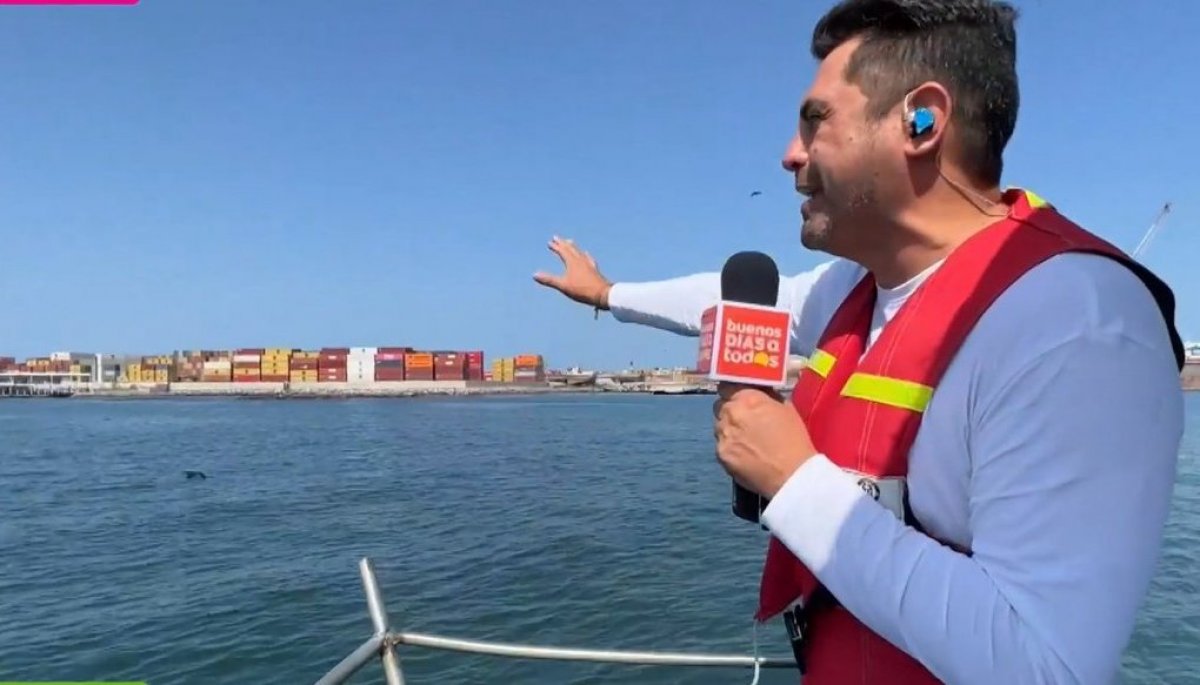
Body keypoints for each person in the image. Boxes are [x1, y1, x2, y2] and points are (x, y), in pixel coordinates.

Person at [533, 1, 1185, 683]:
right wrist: (608, 294)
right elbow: (731, 304)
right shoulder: (858, 287)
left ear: (921, 121)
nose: (790, 154)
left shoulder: (1077, 322)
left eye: (816, 120)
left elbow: (1047, 665)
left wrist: (794, 482)